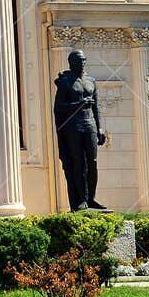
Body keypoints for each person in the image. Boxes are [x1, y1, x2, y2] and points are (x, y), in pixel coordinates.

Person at [52, 50, 108, 210]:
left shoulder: (91, 81)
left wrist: (100, 128)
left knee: (93, 162)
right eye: (78, 60)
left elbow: (96, 107)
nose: (82, 63)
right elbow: (58, 108)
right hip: (73, 126)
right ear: (71, 62)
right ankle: (80, 200)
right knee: (78, 163)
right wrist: (78, 104)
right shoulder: (65, 82)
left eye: (84, 60)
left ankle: (91, 198)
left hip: (89, 124)